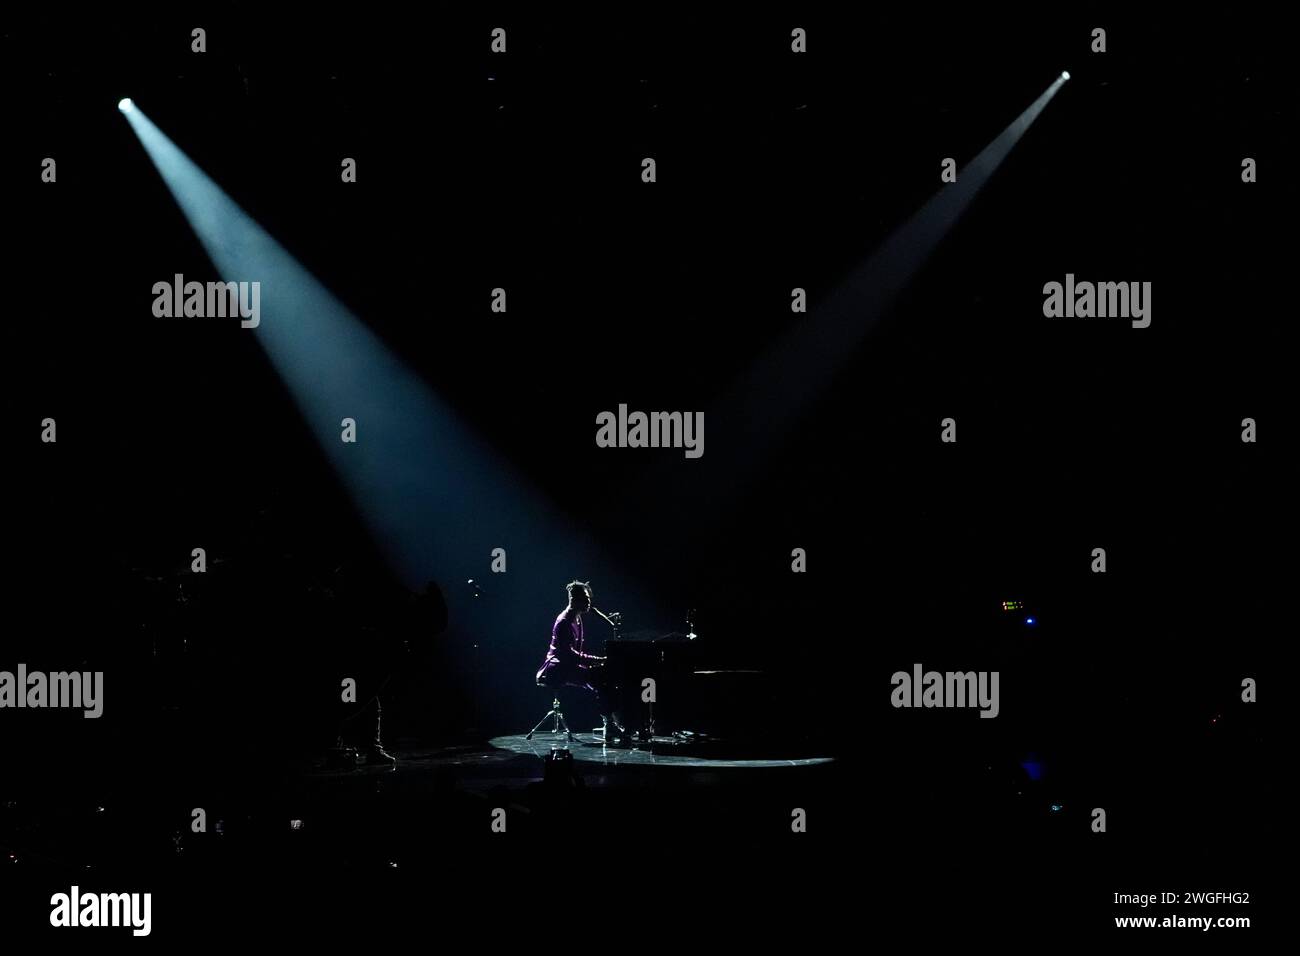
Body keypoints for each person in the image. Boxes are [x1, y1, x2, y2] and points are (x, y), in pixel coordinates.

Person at [535, 580, 628, 745]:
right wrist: (598, 661)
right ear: (574, 600)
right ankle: (612, 725)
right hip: (557, 668)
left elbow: (575, 656)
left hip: (569, 665)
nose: (589, 602)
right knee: (601, 679)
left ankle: (613, 724)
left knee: (605, 678)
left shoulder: (577, 618)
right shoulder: (564, 622)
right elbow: (569, 655)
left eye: (589, 599)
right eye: (585, 599)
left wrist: (596, 663)